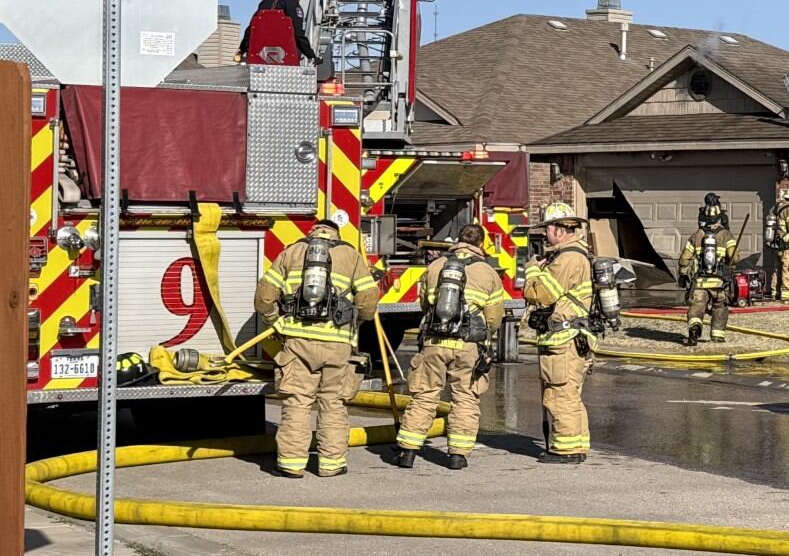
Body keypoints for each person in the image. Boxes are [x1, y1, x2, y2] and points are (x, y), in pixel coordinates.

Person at [254, 214, 378, 477]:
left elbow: (265, 296)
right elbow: (368, 301)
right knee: (333, 403)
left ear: (312, 232)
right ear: (336, 235)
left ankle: (290, 464)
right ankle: (331, 465)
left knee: (297, 402)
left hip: (297, 342)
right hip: (338, 344)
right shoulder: (351, 256)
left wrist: (274, 321)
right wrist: (355, 323)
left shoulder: (292, 252)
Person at [393, 225, 505, 469]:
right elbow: (495, 317)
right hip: (468, 345)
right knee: (465, 397)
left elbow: (424, 304)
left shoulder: (435, 266)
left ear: (456, 241)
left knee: (424, 395)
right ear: (481, 244)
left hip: (434, 341)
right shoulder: (488, 272)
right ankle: (457, 456)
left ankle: (408, 452)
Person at [522, 202, 596, 464]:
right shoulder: (575, 255)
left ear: (560, 230)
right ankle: (575, 446)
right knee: (569, 394)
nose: (545, 235)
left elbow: (539, 294)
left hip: (563, 340)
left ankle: (565, 450)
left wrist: (531, 270)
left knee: (559, 395)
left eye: (548, 229)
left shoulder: (568, 259)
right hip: (571, 338)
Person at [679, 219, 738, 344]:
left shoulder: (697, 234)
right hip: (719, 282)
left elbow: (685, 258)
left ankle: (694, 330)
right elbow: (735, 258)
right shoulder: (726, 235)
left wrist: (683, 274)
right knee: (720, 306)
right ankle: (717, 335)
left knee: (697, 306)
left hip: (700, 281)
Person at [237, 0, 318, 63]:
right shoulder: (294, 7)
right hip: (284, 54)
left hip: (260, 52)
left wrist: (242, 49)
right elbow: (298, 34)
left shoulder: (267, 1)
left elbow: (252, 27)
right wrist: (311, 55)